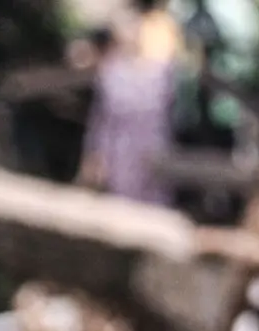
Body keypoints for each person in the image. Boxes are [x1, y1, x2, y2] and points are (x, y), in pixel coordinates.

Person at [78, 0, 184, 206]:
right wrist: (94, 156)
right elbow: (102, 121)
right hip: (119, 154)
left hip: (153, 151)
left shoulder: (161, 69)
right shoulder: (111, 72)